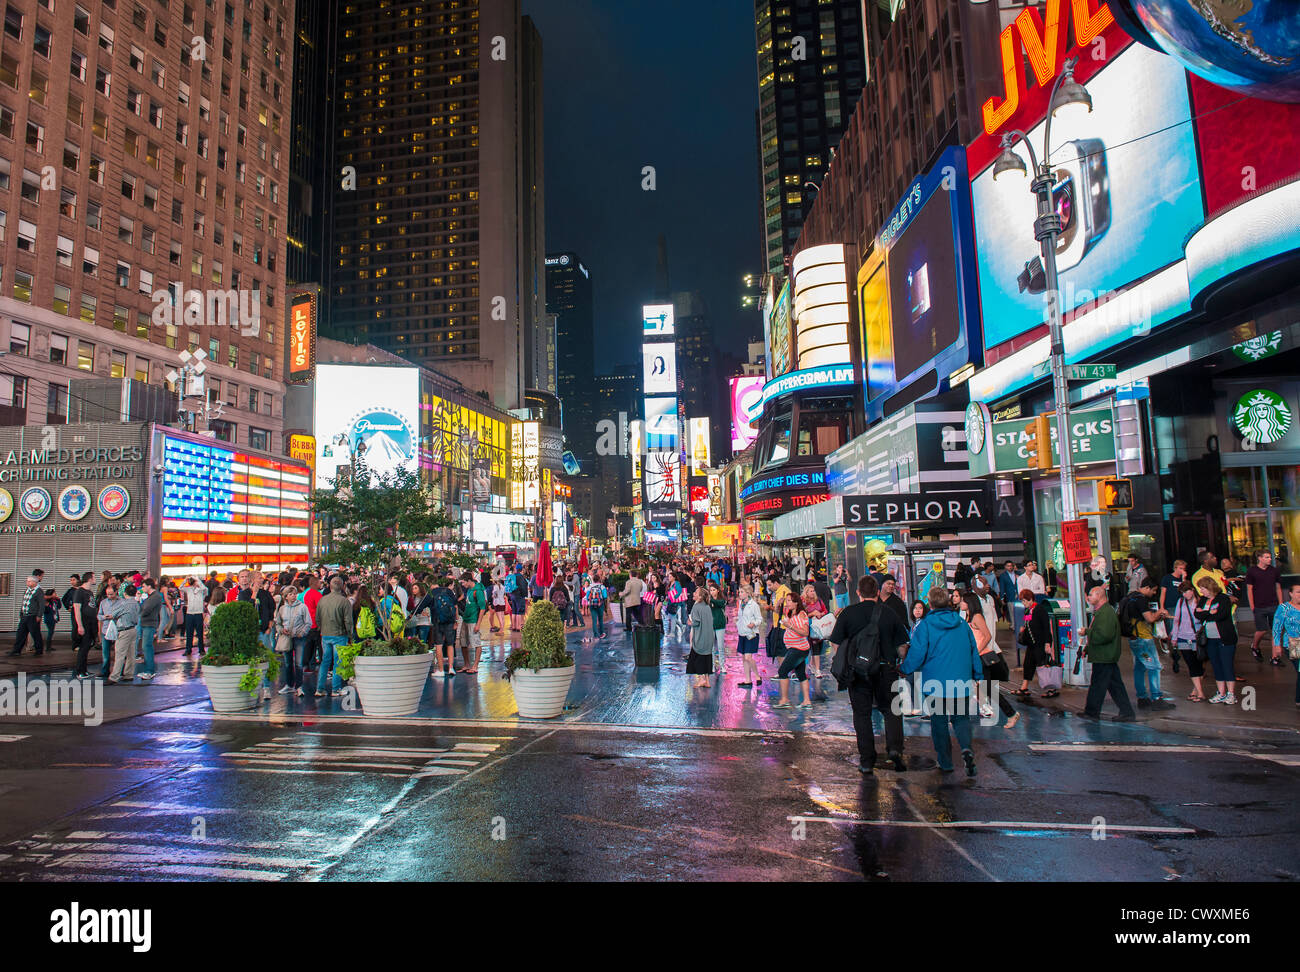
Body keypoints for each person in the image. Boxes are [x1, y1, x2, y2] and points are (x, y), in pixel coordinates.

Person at [828, 576, 910, 774]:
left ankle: (866, 760)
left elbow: (836, 643)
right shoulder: (889, 614)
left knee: (862, 714)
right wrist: (901, 663)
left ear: (858, 592)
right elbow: (902, 646)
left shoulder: (849, 613)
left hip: (859, 672)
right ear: (877, 592)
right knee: (891, 710)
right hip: (886, 669)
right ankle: (895, 749)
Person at [899, 587, 984, 777]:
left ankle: (945, 762)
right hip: (960, 678)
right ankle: (966, 748)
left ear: (930, 604)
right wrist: (978, 675)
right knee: (961, 719)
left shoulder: (926, 626)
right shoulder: (961, 623)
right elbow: (973, 650)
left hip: (934, 680)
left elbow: (917, 653)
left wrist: (904, 669)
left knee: (939, 722)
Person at [1081, 582, 1137, 720]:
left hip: (1104, 655)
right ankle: (1127, 712)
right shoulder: (1102, 612)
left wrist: (1087, 632)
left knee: (1098, 685)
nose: (1088, 597)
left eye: (1091, 595)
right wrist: (1088, 648)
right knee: (1114, 685)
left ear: (1099, 595)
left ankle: (1092, 712)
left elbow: (1105, 635)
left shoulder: (1105, 613)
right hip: (1105, 655)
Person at [963, 590, 1018, 728]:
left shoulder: (976, 617)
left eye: (963, 600)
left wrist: (976, 651)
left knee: (988, 688)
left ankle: (1010, 713)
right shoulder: (967, 616)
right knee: (977, 686)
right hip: (975, 657)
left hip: (982, 658)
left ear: (969, 602)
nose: (961, 603)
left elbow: (987, 636)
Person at [1120, 577, 1174, 710]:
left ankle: (1142, 698)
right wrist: (1159, 614)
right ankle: (1156, 697)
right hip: (1143, 638)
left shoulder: (1129, 597)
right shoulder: (1141, 600)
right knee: (1154, 667)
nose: (1154, 593)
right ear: (1147, 588)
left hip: (1133, 637)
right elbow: (1149, 618)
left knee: (1139, 667)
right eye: (1154, 590)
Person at [1194, 577, 1237, 705]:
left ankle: (1231, 693)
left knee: (1227, 665)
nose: (1201, 592)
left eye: (1203, 588)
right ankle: (1221, 692)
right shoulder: (1203, 600)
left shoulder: (1223, 599)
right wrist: (1209, 612)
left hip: (1225, 637)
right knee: (1216, 665)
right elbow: (1197, 614)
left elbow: (1221, 615)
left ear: (1209, 587)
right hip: (1210, 638)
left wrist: (1205, 612)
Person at [774, 591, 813, 709]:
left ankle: (785, 699)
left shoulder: (801, 614)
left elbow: (805, 632)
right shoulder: (790, 612)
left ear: (796, 602)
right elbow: (776, 611)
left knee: (782, 671)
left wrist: (790, 626)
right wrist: (779, 604)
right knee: (801, 674)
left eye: (789, 601)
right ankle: (806, 700)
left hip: (798, 648)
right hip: (794, 647)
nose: (787, 603)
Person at [317, 577, 354, 697]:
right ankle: (336, 688)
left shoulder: (322, 600)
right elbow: (348, 620)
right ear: (343, 586)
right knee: (338, 662)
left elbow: (318, 618)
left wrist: (321, 628)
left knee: (325, 662)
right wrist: (350, 634)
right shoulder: (344, 601)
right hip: (339, 634)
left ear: (330, 586)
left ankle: (320, 688)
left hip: (325, 634)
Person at [1169, 582, 1206, 702]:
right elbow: (1176, 620)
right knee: (1191, 664)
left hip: (1196, 637)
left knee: (1198, 664)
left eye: (1186, 591)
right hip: (1183, 637)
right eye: (1182, 593)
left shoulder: (1200, 601)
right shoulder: (1180, 602)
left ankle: (1196, 691)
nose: (1184, 595)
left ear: (1192, 590)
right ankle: (1199, 692)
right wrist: (1174, 637)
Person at [1013, 588, 1053, 698]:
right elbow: (1028, 623)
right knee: (1028, 665)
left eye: (1024, 601)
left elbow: (1046, 627)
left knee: (1042, 666)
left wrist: (1047, 643)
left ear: (1030, 599)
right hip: (1032, 643)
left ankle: (1050, 688)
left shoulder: (1039, 609)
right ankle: (1024, 687)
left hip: (1040, 642)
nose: (1023, 603)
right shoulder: (1028, 610)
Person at [1246, 549, 1283, 664]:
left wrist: (1281, 604)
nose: (1269, 559)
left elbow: (1278, 587)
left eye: (1270, 557)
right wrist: (1252, 605)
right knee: (1261, 630)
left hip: (1273, 604)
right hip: (1259, 606)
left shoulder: (1274, 571)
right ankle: (1255, 646)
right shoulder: (1252, 571)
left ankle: (1274, 657)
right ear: (1260, 558)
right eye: (1266, 557)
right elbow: (1249, 589)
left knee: (1275, 631)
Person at [275, 586, 311, 696]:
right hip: (287, 637)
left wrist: (302, 632)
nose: (293, 596)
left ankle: (299, 686)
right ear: (285, 597)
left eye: (294, 594)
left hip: (299, 638)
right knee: (288, 662)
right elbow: (278, 623)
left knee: (298, 663)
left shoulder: (302, 607)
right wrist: (281, 630)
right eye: (291, 594)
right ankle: (289, 685)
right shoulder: (282, 609)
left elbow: (308, 622)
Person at [1270, 583, 1300, 707]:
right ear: (1291, 593)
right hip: (1293, 642)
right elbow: (1277, 628)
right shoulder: (1284, 608)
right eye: (1298, 592)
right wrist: (1277, 645)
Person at [458, 570, 487, 675]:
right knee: (463, 642)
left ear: (468, 581)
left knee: (476, 642)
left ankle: (475, 666)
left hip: (473, 620)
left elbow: (482, 608)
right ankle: (467, 664)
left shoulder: (477, 591)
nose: (462, 585)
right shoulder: (469, 590)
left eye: (463, 582)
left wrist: (478, 624)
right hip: (466, 619)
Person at [9, 574, 46, 657]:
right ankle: (16, 650)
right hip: (25, 615)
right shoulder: (27, 590)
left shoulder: (39, 591)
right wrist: (21, 613)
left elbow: (41, 605)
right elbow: (24, 602)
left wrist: (39, 616)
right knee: (21, 633)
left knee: (35, 633)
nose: (27, 582)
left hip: (33, 615)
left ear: (34, 582)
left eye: (29, 581)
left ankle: (39, 650)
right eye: (27, 581)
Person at [735, 585, 764, 688]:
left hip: (751, 633)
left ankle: (757, 676)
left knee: (748, 657)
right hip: (742, 632)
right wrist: (737, 621)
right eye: (739, 592)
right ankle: (748, 680)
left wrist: (753, 623)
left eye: (742, 592)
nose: (740, 594)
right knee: (744, 657)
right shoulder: (740, 603)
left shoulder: (754, 605)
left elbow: (759, 619)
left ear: (748, 593)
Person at [686, 586, 715, 688]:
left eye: (695, 592)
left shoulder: (696, 607)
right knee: (706, 658)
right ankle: (707, 681)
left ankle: (701, 679)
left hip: (700, 638)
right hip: (709, 637)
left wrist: (690, 622)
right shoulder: (707, 606)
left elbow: (696, 622)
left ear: (700, 597)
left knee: (697, 659)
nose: (693, 593)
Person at [431, 578, 459, 678]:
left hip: (437, 622)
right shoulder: (449, 592)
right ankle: (451, 668)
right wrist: (456, 620)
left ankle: (441, 670)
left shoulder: (432, 593)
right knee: (450, 644)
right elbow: (455, 606)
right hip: (449, 621)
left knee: (439, 645)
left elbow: (424, 605)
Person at [137, 578, 163, 682]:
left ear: (149, 586)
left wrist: (140, 612)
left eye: (143, 586)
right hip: (147, 623)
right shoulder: (152, 597)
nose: (142, 589)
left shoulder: (155, 597)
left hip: (149, 623)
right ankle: (148, 670)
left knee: (146, 646)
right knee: (147, 646)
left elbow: (145, 609)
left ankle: (149, 671)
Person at [182, 576, 207, 656]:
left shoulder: (201, 590)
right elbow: (180, 587)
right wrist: (185, 580)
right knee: (189, 632)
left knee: (200, 632)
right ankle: (188, 649)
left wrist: (197, 579)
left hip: (198, 613)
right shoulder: (188, 589)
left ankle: (201, 649)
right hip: (189, 613)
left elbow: (204, 588)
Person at [708, 583, 728, 675]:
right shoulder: (708, 601)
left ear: (718, 590)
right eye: (711, 590)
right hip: (710, 625)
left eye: (714, 590)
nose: (712, 592)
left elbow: (720, 604)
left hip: (720, 624)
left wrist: (711, 600)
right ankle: (712, 665)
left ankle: (722, 665)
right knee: (711, 647)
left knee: (720, 646)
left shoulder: (721, 600)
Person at [586, 575, 608, 639]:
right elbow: (605, 596)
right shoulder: (602, 586)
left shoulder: (590, 587)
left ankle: (595, 635)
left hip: (592, 605)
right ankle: (602, 633)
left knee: (594, 620)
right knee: (600, 619)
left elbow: (587, 597)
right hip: (600, 604)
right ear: (599, 579)